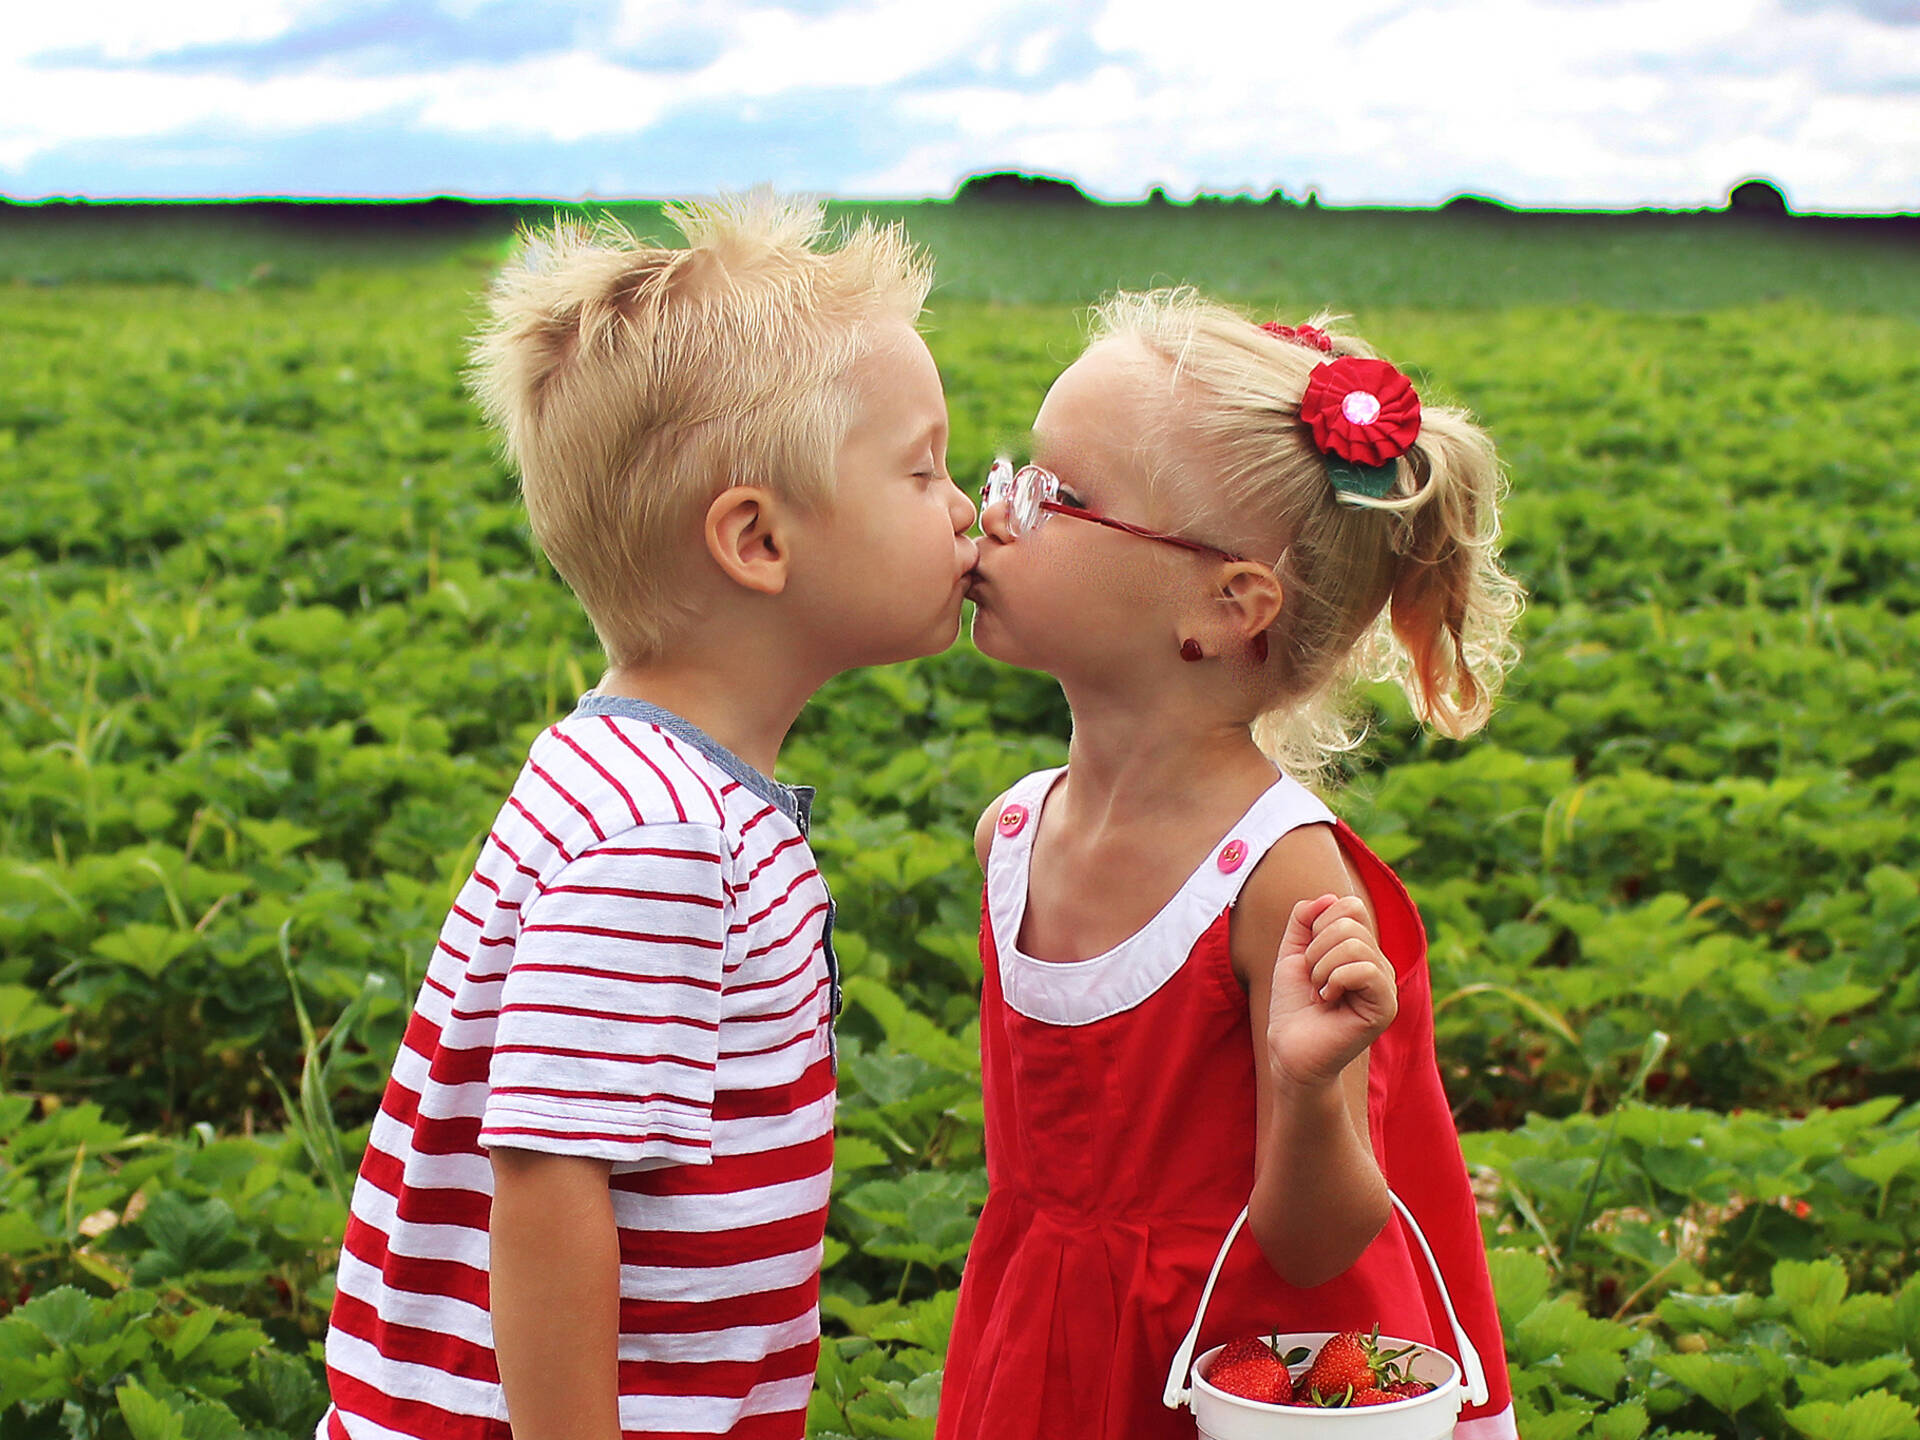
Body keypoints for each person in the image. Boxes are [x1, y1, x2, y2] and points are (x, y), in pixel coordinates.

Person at [318, 194, 978, 1440]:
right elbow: (548, 1180)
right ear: (757, 539)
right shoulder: (662, 837)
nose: (960, 507)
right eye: (921, 467)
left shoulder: (634, 778)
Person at [938, 294, 1522, 1439]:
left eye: (1058, 495)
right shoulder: (1013, 833)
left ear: (1226, 604)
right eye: (1017, 474)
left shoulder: (1280, 879)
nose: (994, 509)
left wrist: (1306, 1087)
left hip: (1236, 1377)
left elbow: (1318, 1244)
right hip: (1045, 1348)